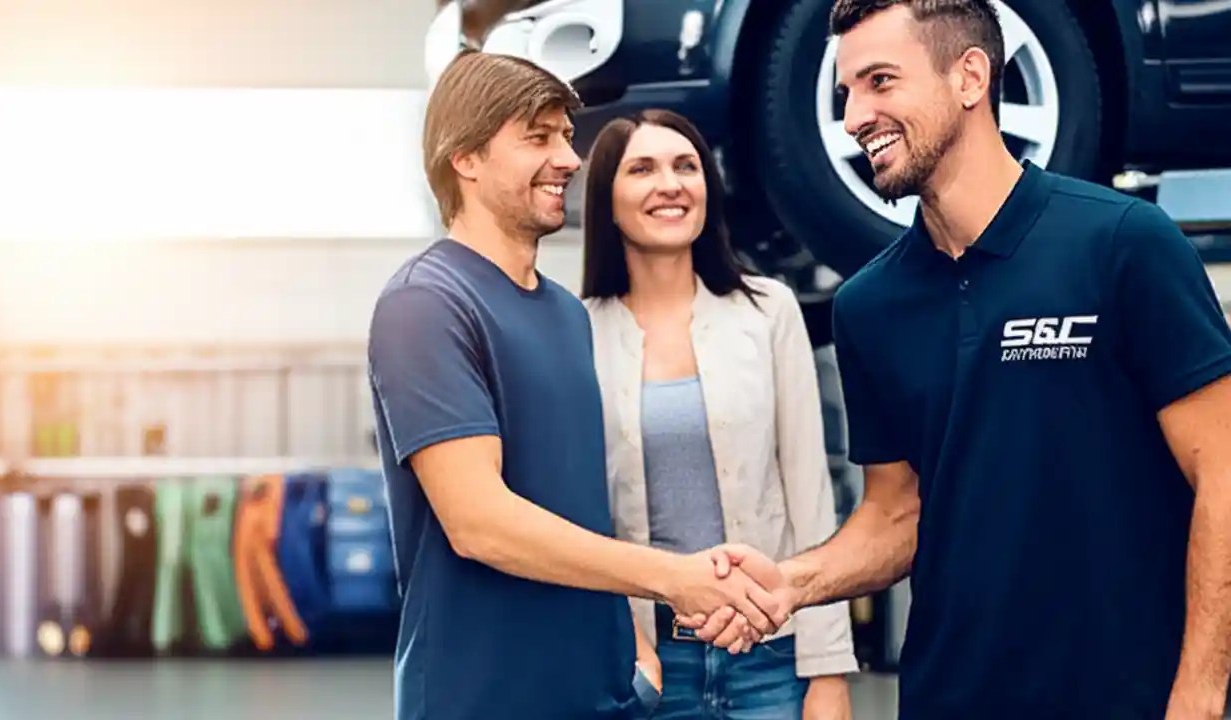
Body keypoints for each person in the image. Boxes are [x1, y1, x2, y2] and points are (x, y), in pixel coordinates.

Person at [682, 1, 1231, 718]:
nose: (854, 118)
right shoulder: (870, 305)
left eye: (881, 81)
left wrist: (1198, 692)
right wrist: (793, 582)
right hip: (949, 698)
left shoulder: (1125, 243)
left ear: (971, 76)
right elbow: (894, 515)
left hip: (1124, 695)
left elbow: (1221, 472)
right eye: (848, 94)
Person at [366, 49, 790, 720]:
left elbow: (586, 501)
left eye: (566, 135)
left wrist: (631, 651)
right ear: (465, 158)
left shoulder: (565, 313)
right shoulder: (426, 303)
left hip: (601, 696)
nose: (568, 158)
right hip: (482, 700)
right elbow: (480, 524)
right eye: (538, 136)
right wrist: (670, 578)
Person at [579, 108, 859, 719]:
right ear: (608, 198)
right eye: (643, 169)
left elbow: (810, 493)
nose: (670, 184)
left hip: (771, 656)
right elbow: (580, 520)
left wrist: (828, 671)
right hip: (647, 664)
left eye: (686, 166)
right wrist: (626, 646)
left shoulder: (768, 311)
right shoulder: (576, 332)